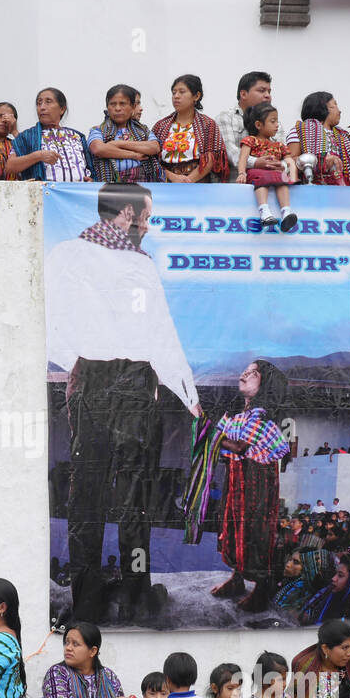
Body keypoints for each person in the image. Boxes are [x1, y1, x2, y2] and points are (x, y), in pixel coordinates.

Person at [45, 183, 202, 624]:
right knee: (134, 501)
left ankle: (87, 599)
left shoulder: (66, 255)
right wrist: (188, 394)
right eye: (146, 217)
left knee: (86, 501)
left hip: (89, 383)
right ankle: (135, 592)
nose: (148, 227)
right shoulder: (138, 265)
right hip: (132, 386)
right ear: (128, 213)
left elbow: (54, 324)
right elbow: (161, 335)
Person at [201, 360, 290, 609]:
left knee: (255, 531)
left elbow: (239, 447)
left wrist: (211, 432)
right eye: (245, 370)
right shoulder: (239, 417)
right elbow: (224, 442)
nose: (244, 374)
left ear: (265, 385)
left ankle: (262, 589)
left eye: (252, 373)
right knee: (231, 526)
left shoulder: (261, 419)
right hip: (236, 479)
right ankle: (237, 578)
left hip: (257, 483)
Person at [150, 74, 226, 183]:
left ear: (196, 96)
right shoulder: (161, 125)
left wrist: (188, 180)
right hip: (166, 183)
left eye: (182, 92)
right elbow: (152, 159)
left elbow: (210, 160)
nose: (176, 96)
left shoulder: (208, 124)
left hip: (198, 183)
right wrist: (172, 177)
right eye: (174, 92)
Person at [7, 87, 93, 182]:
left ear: (62, 109)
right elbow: (10, 167)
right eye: (39, 103)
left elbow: (90, 168)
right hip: (46, 194)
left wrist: (91, 180)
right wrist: (38, 156)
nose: (42, 107)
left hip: (78, 193)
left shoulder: (77, 136)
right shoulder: (27, 136)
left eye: (48, 102)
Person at [87, 84, 163, 184]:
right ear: (107, 107)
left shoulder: (143, 130)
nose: (117, 108)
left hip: (144, 184)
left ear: (133, 107)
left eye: (122, 104)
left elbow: (154, 147)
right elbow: (99, 149)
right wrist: (134, 155)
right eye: (112, 104)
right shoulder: (98, 130)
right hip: (111, 186)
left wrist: (118, 144)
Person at [286, 91, 350, 186]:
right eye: (335, 105)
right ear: (322, 108)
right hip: (312, 189)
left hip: (342, 190)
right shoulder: (300, 130)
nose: (340, 111)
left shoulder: (344, 136)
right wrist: (319, 161)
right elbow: (290, 162)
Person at [216, 70, 273, 178]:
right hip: (236, 188)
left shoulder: (274, 122)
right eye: (262, 91)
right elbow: (230, 151)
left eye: (269, 92)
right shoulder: (226, 118)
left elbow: (283, 152)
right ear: (243, 94)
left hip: (271, 186)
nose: (267, 96)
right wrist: (256, 162)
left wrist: (281, 164)